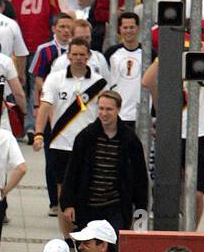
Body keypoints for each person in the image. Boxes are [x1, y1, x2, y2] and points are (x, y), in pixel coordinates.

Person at [33, 38, 105, 237]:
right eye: (75, 55)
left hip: (89, 147)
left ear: (89, 56)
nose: (79, 59)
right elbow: (45, 106)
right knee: (63, 195)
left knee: (87, 192)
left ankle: (85, 236)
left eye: (83, 55)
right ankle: (66, 239)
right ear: (68, 56)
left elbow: (105, 112)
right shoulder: (55, 79)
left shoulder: (99, 82)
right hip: (61, 145)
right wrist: (39, 133)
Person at [59, 92, 149, 236]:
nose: (104, 113)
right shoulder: (85, 137)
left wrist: (140, 216)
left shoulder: (130, 140)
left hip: (116, 207)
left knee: (114, 247)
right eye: (101, 109)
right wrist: (68, 203)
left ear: (118, 109)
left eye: (109, 109)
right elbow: (72, 172)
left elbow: (140, 180)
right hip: (88, 205)